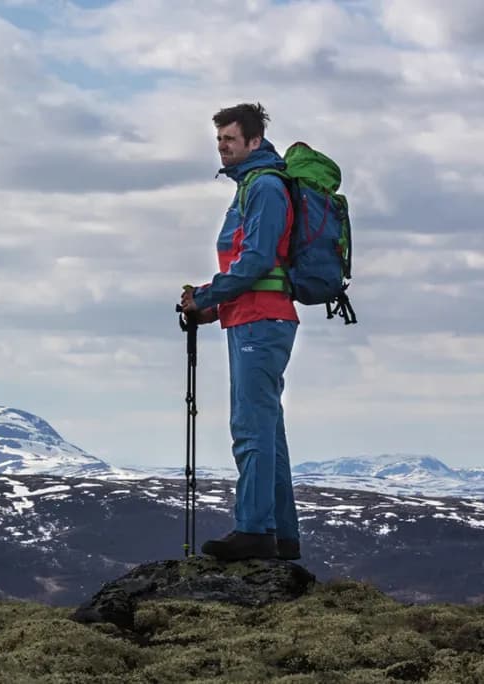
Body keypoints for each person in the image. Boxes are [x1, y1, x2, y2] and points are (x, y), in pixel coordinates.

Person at [179, 102, 301, 562]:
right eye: (219, 141)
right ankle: (282, 536)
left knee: (250, 428)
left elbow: (254, 261)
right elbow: (251, 265)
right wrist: (214, 310)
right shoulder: (251, 185)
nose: (222, 147)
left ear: (253, 141)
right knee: (268, 431)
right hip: (252, 317)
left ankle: (253, 530)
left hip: (260, 323)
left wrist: (206, 297)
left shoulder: (265, 187)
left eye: (229, 139)